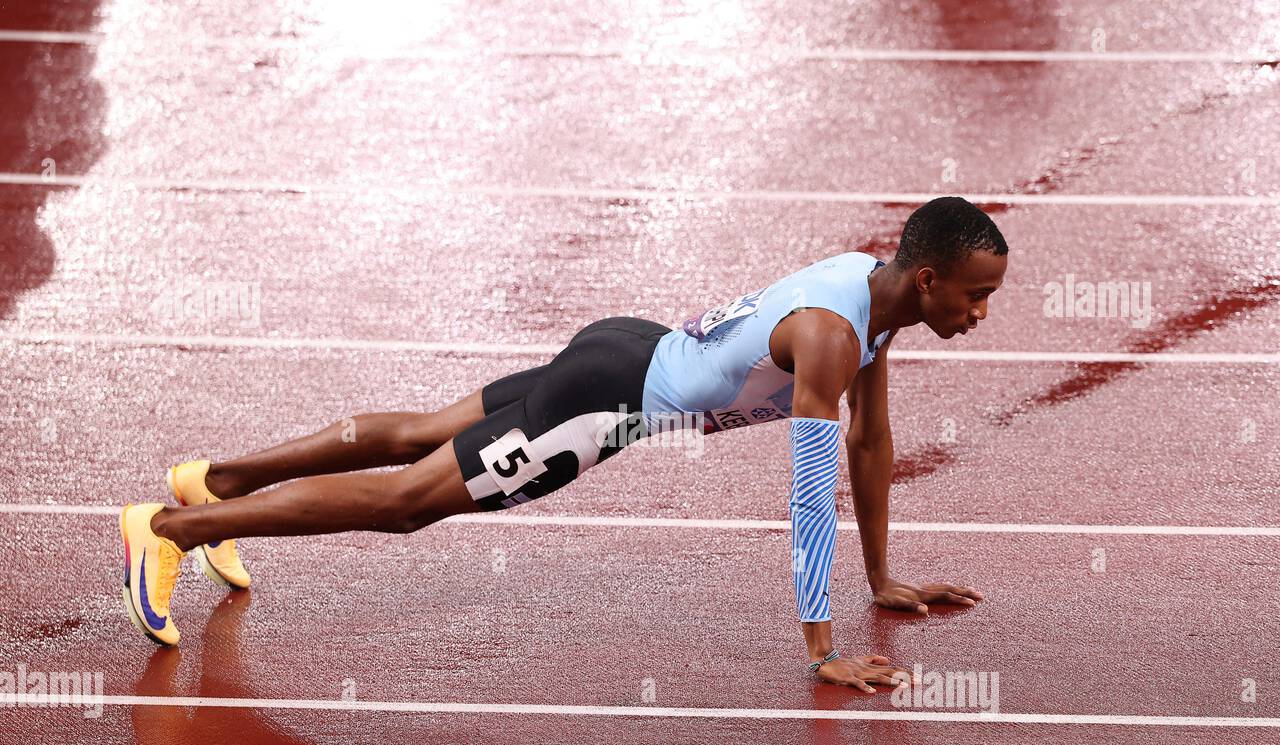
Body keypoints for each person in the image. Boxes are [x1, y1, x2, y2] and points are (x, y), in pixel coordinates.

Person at [120, 196, 1008, 693]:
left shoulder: (872, 291)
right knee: (404, 505)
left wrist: (883, 579)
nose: (978, 315)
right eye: (974, 296)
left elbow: (872, 440)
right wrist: (821, 648)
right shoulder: (832, 337)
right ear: (927, 278)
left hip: (623, 344)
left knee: (428, 430)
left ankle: (213, 481)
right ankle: (168, 530)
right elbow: (811, 496)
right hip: (606, 403)